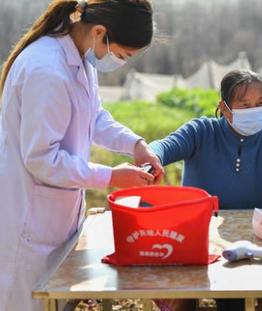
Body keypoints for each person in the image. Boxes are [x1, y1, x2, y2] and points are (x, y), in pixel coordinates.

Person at [0, 1, 164, 310]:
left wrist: (136, 144)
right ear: (99, 32)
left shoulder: (81, 59)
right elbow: (41, 160)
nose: (120, 63)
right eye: (122, 55)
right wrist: (112, 177)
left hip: (56, 219)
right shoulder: (46, 71)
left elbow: (95, 117)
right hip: (28, 225)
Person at [149, 69, 262, 311]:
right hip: (198, 236)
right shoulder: (201, 132)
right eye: (245, 105)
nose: (254, 111)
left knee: (238, 296)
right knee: (183, 296)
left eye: (260, 104)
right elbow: (165, 146)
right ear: (225, 108)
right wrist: (151, 158)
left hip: (249, 240)